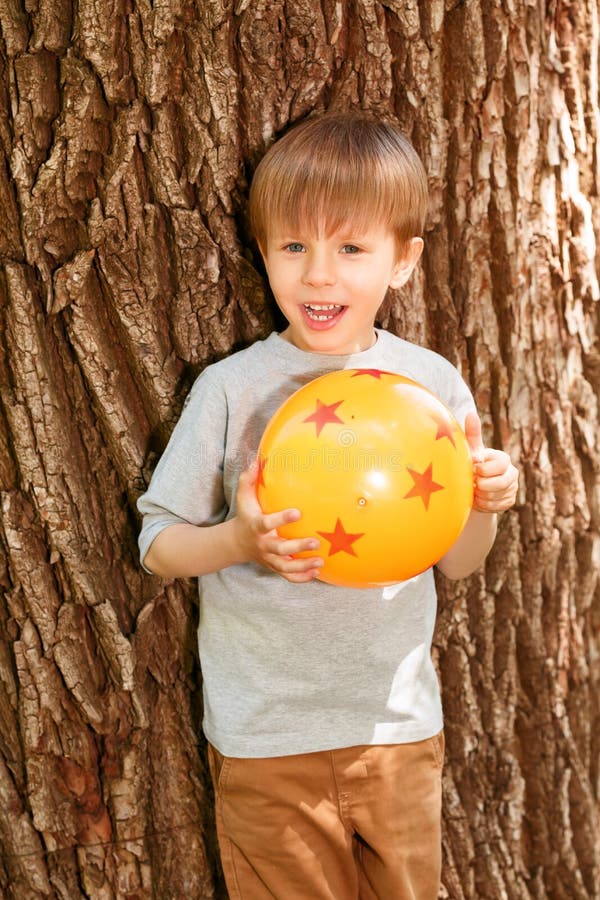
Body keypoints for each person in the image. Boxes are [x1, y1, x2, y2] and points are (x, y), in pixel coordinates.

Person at [137, 113, 519, 900]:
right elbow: (159, 542)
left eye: (350, 248)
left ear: (403, 261)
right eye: (294, 247)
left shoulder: (431, 387)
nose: (319, 276)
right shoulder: (231, 390)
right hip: (266, 741)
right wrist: (238, 542)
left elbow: (460, 560)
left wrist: (482, 502)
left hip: (397, 733)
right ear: (264, 255)